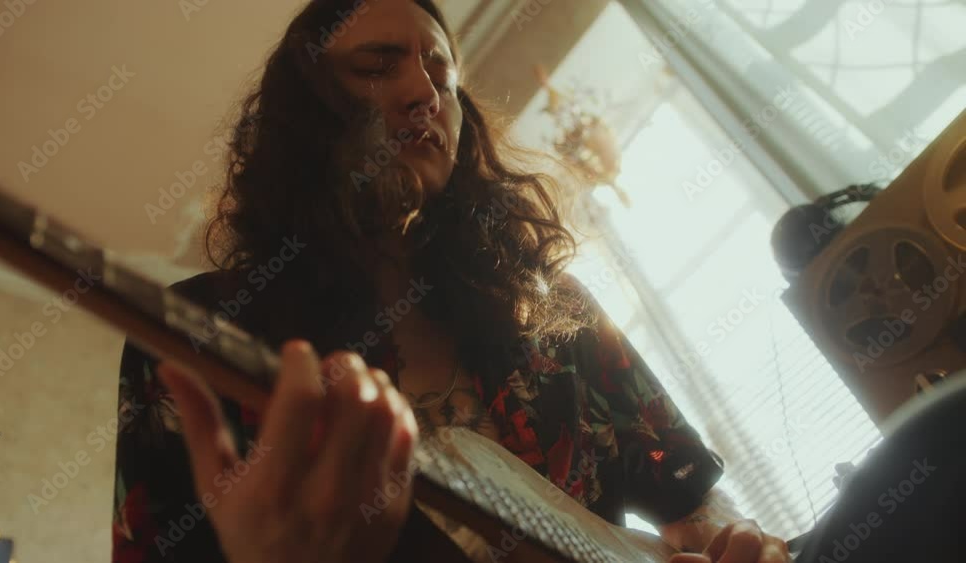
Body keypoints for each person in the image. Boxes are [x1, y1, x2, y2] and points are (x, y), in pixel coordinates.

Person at [110, 1, 792, 562]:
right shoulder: (203, 329)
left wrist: (738, 547)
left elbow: (689, 502)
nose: (423, 92)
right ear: (304, 117)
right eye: (378, 66)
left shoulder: (559, 309)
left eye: (440, 69)